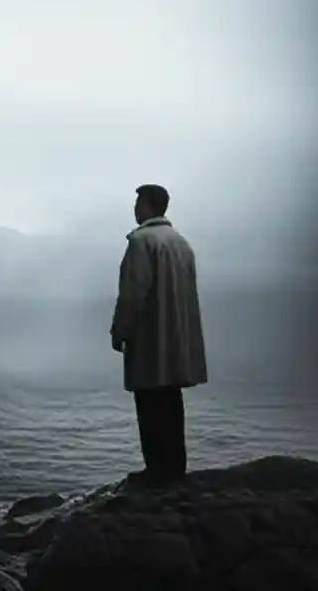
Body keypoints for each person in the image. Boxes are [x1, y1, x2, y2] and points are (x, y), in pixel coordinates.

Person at [110, 184, 207, 487]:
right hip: (176, 338)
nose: (135, 208)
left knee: (149, 403)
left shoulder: (141, 241)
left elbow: (132, 294)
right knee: (170, 402)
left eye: (138, 202)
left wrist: (120, 330)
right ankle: (174, 468)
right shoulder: (182, 244)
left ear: (150, 205)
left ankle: (155, 471)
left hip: (151, 338)